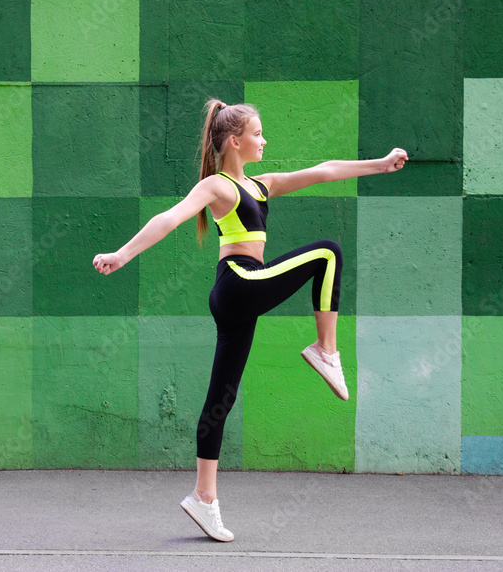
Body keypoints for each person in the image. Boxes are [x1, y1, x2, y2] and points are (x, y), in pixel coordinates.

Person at [93, 98, 408, 542]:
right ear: (235, 141)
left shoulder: (261, 186)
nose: (264, 140)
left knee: (221, 397)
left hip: (237, 293)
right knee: (327, 252)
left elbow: (323, 170)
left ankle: (204, 498)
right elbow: (170, 217)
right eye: (258, 133)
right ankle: (326, 349)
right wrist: (121, 255)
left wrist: (381, 164)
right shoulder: (218, 186)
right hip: (240, 281)